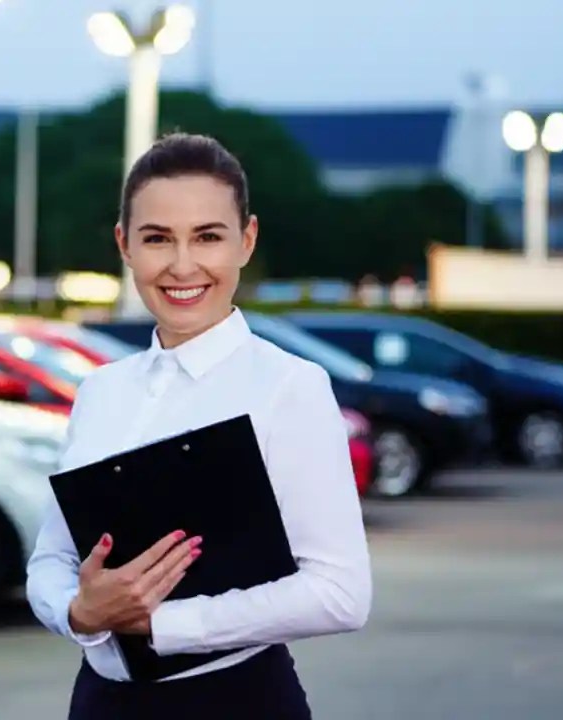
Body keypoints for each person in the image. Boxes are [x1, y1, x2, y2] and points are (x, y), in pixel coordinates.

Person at [26, 133, 372, 719]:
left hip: (234, 699)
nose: (182, 265)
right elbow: (51, 560)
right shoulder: (101, 390)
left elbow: (340, 595)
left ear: (247, 240)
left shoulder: (290, 386)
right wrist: (79, 613)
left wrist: (162, 623)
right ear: (124, 245)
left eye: (207, 237)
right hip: (100, 701)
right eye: (157, 239)